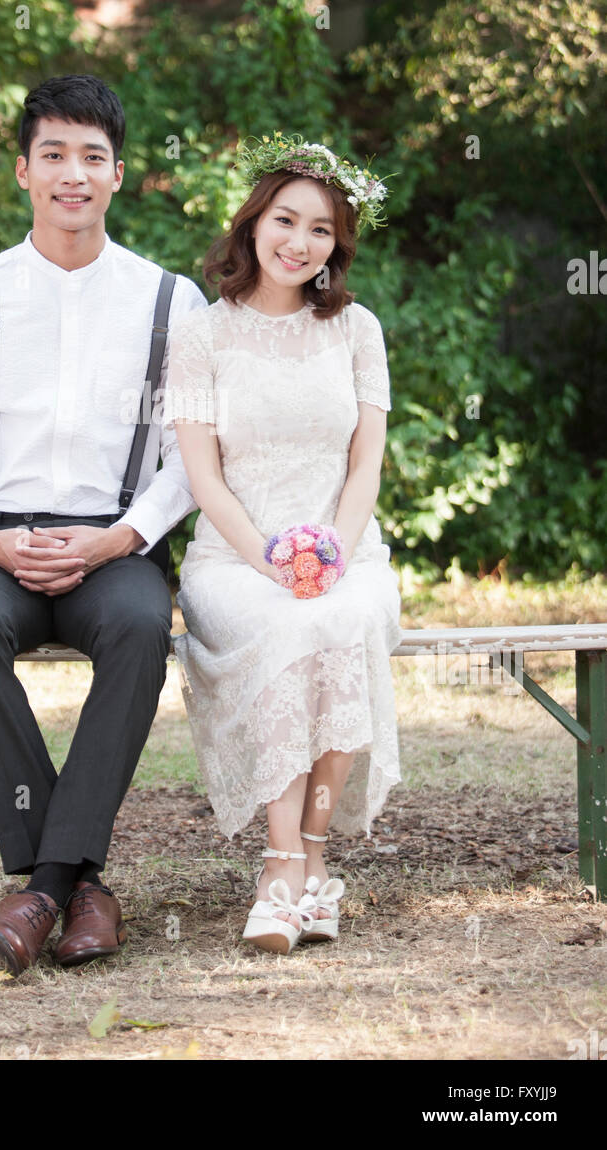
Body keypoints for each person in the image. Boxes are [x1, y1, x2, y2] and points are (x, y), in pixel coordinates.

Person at [0, 74, 207, 973]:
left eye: (93, 158)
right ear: (23, 171)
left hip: (118, 545)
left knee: (147, 626)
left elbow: (192, 455)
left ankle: (43, 885)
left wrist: (123, 538)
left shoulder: (170, 302)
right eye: (55, 156)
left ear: (119, 175)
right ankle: (76, 886)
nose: (75, 174)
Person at [166, 133, 402, 954]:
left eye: (322, 231)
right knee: (291, 624)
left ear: (339, 245)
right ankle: (285, 864)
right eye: (286, 220)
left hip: (348, 550)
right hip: (237, 558)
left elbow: (365, 460)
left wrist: (333, 550)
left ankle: (307, 862)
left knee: (337, 621)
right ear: (253, 221)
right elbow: (204, 477)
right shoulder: (205, 335)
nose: (300, 243)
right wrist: (273, 557)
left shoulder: (356, 329)